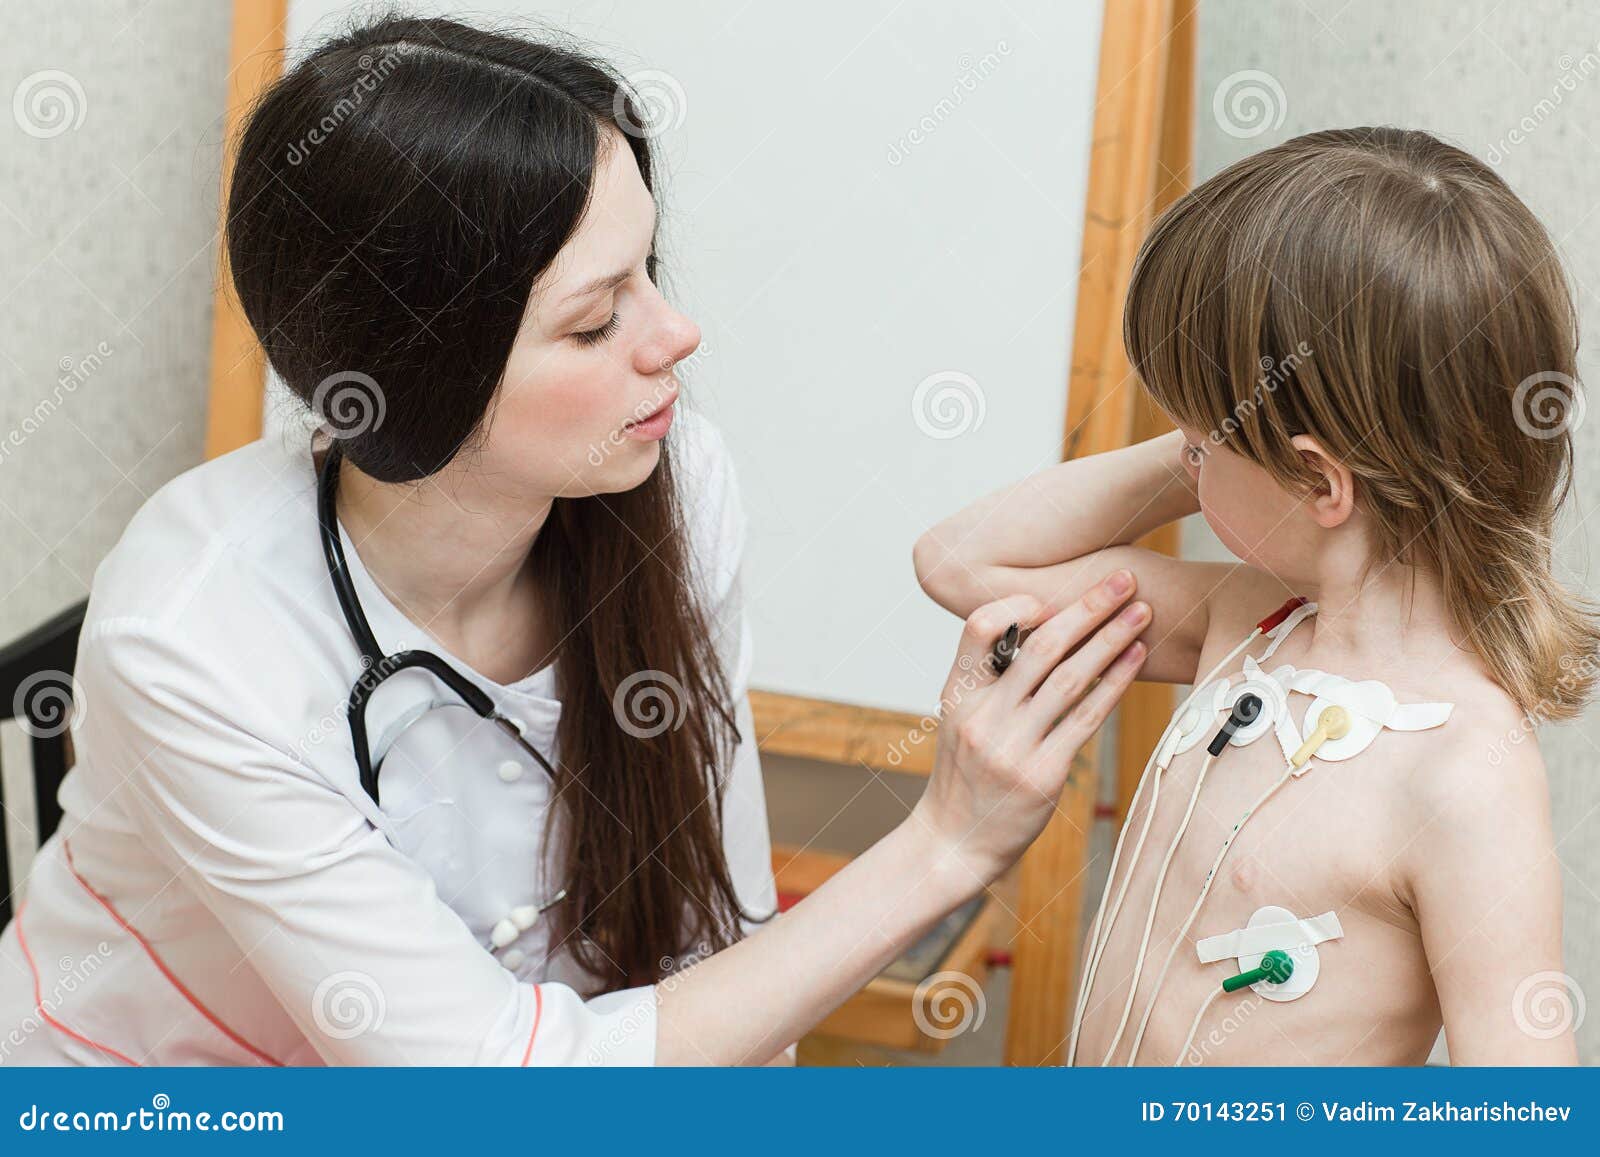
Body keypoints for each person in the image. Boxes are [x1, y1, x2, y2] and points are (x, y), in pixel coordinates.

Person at [0, 15, 1150, 1067]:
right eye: (596, 319)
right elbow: (485, 1084)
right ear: (417, 376)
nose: (676, 334)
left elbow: (717, 927)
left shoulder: (676, 487)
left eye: (649, 272)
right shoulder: (197, 638)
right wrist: (944, 844)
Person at [916, 127, 1594, 1066]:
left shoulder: (1463, 775)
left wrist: (1242, 437)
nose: (1186, 454)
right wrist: (1216, 444)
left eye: (1200, 432)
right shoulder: (1245, 624)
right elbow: (962, 562)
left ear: (1319, 484)